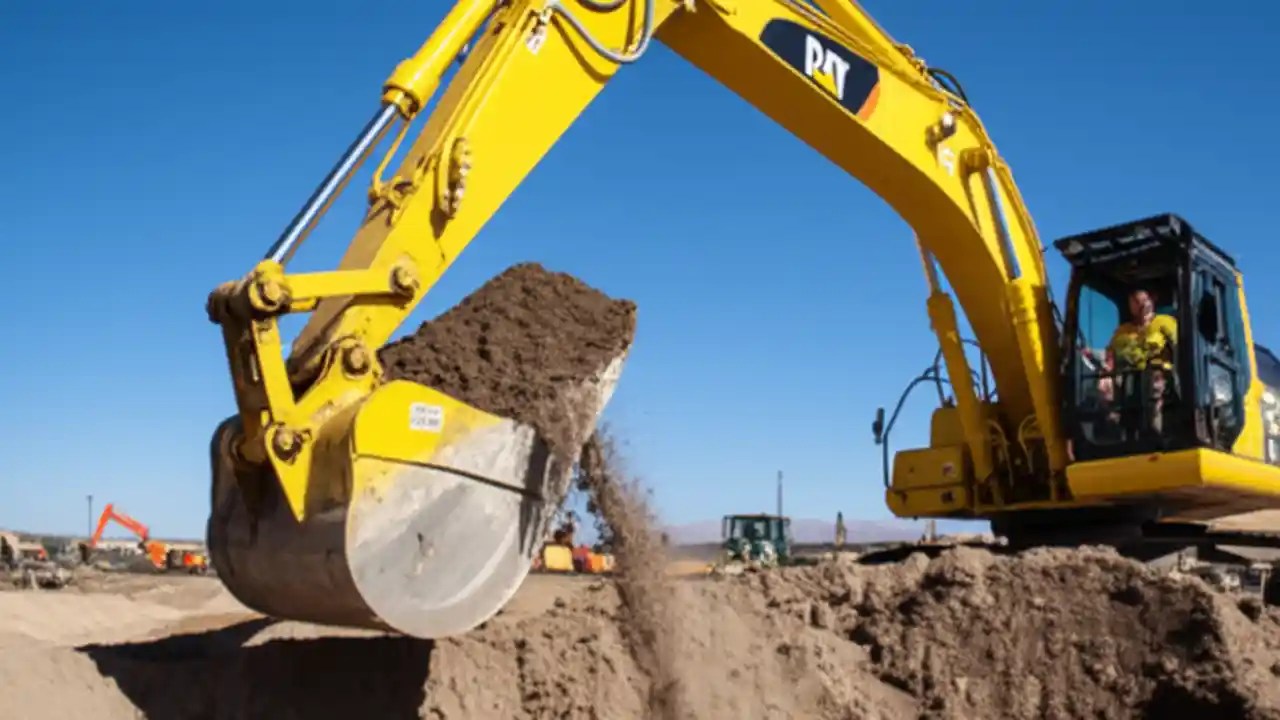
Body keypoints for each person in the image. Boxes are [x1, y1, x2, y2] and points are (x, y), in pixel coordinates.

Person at [1099, 288, 1177, 434]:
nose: (1139, 305)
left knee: (1154, 378)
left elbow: (1180, 347)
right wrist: (1106, 376)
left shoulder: (1165, 322)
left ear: (1152, 299)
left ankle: (1156, 428)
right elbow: (1110, 355)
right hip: (1131, 378)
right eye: (1134, 302)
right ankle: (1116, 425)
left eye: (1142, 300)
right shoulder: (1123, 331)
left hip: (1159, 377)